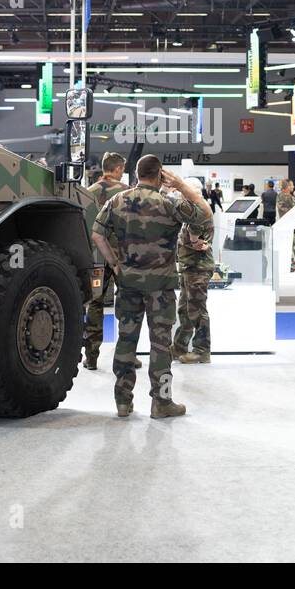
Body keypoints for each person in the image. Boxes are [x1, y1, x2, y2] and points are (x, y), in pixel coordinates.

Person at [91, 155, 212, 418]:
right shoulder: (169, 203)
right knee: (160, 345)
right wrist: (180, 184)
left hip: (128, 283)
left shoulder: (117, 200)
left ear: (135, 173)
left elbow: (97, 233)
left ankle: (123, 402)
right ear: (160, 175)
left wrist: (114, 262)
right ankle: (162, 402)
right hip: (161, 287)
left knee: (126, 339)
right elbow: (204, 214)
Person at [82, 152, 136, 371]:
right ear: (118, 169)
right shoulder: (128, 192)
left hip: (95, 257)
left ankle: (91, 357)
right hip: (122, 257)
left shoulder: (87, 192)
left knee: (94, 302)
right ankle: (127, 356)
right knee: (126, 301)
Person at [173, 205, 215, 364]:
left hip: (198, 268)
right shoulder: (191, 213)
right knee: (184, 309)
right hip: (188, 267)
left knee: (197, 310)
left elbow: (196, 234)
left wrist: (194, 240)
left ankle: (202, 350)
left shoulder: (199, 212)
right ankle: (179, 346)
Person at [276, 179, 295, 268]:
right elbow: (293, 210)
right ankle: (291, 264)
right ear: (288, 187)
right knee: (292, 245)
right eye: (292, 185)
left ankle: (289, 263)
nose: (293, 187)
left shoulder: (282, 196)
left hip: (287, 224)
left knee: (289, 245)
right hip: (290, 225)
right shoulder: (287, 197)